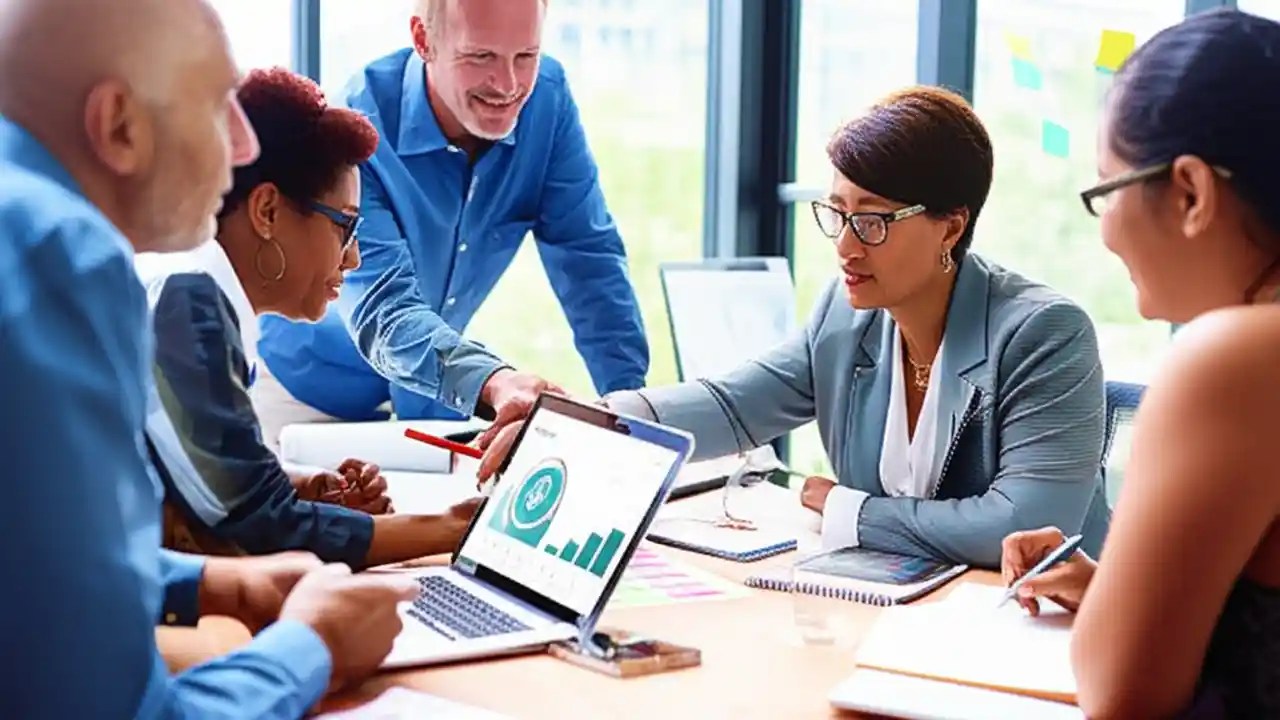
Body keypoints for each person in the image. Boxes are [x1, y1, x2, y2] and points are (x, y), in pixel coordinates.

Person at [482, 86, 1111, 568]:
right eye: (836, 212)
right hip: (897, 613)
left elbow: (1025, 528)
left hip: (1040, 634)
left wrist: (847, 511)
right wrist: (581, 426)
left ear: (951, 223)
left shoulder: (1044, 335)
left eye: (873, 220)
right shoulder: (848, 317)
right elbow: (728, 406)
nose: (845, 246)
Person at [0, 1, 419, 717]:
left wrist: (215, 586)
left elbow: (31, 571)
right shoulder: (60, 256)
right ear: (120, 126)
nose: (243, 143)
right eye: (220, 102)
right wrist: (312, 646)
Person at [1000, 9, 1280, 719]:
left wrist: (1110, 623)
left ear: (1190, 192)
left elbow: (1120, 695)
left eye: (1105, 189)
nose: (1104, 232)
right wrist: (1121, 591)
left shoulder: (1235, 359)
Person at [252, 0, 647, 451]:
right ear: (424, 40)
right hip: (309, 394)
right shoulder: (360, 129)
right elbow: (385, 311)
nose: (509, 84)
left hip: (439, 395)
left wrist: (632, 412)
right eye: (480, 57)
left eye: (525, 56)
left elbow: (589, 262)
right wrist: (495, 382)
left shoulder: (548, 102)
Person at [134, 66, 482, 567]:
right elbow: (258, 524)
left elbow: (205, 474)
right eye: (346, 226)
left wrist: (307, 487)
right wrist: (455, 526)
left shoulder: (198, 289)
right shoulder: (189, 301)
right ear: (268, 211)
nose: (354, 258)